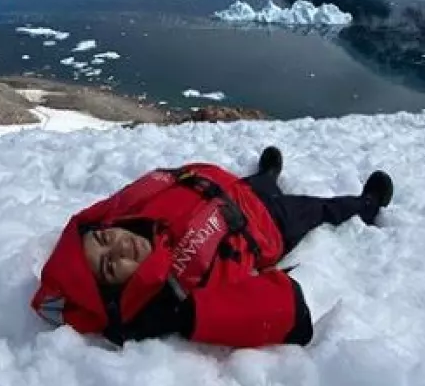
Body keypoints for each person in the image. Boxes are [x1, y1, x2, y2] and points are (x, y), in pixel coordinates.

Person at [31, 147, 394, 349]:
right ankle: (367, 202)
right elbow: (280, 309)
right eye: (111, 266)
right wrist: (183, 316)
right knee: (320, 209)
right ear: (119, 290)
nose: (120, 246)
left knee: (259, 183)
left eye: (104, 239)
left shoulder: (125, 215)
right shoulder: (174, 299)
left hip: (230, 190)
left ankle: (268, 174)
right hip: (266, 224)